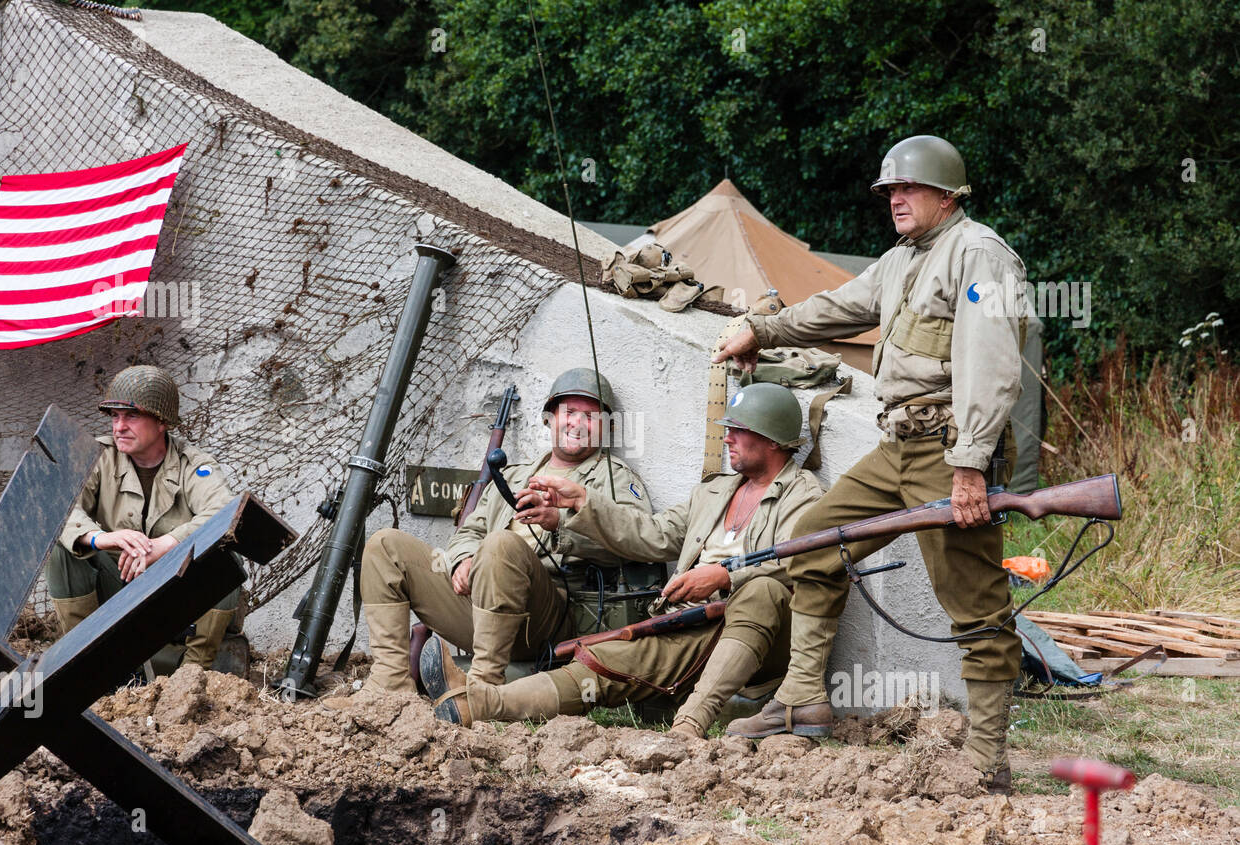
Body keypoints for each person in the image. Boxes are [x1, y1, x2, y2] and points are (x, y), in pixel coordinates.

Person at [714, 134, 1027, 792]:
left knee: (974, 604)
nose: (895, 200)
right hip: (898, 449)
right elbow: (838, 308)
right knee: (813, 542)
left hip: (949, 449)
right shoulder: (901, 261)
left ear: (948, 195)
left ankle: (987, 761)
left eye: (908, 189)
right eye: (889, 192)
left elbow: (992, 366)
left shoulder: (979, 255)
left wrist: (970, 465)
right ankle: (803, 700)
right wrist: (761, 329)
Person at [419, 383, 821, 739]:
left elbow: (802, 562)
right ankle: (480, 703)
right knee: (597, 665)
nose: (727, 439)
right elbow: (652, 535)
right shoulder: (714, 492)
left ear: (772, 440)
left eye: (738, 430)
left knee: (763, 590)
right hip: (683, 624)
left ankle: (689, 725)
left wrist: (723, 576)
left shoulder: (804, 494)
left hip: (750, 628)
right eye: (727, 429)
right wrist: (579, 505)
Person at [346, 368, 652, 708]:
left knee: (501, 544)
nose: (577, 423)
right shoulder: (516, 476)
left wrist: (561, 524)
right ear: (550, 419)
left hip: (548, 616)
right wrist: (462, 560)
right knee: (385, 546)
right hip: (481, 605)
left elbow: (640, 540)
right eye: (569, 413)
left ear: (607, 428)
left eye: (590, 416)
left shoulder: (616, 480)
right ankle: (388, 690)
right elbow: (471, 532)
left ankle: (482, 691)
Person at [49, 365, 238, 668]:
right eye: (114, 416)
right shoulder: (99, 455)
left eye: (131, 416)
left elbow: (225, 513)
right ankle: (83, 664)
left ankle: (192, 675)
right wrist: (100, 538)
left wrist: (167, 543)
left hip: (175, 599)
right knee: (63, 549)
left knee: (225, 555)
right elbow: (59, 508)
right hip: (119, 590)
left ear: (162, 422)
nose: (119, 426)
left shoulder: (194, 465)